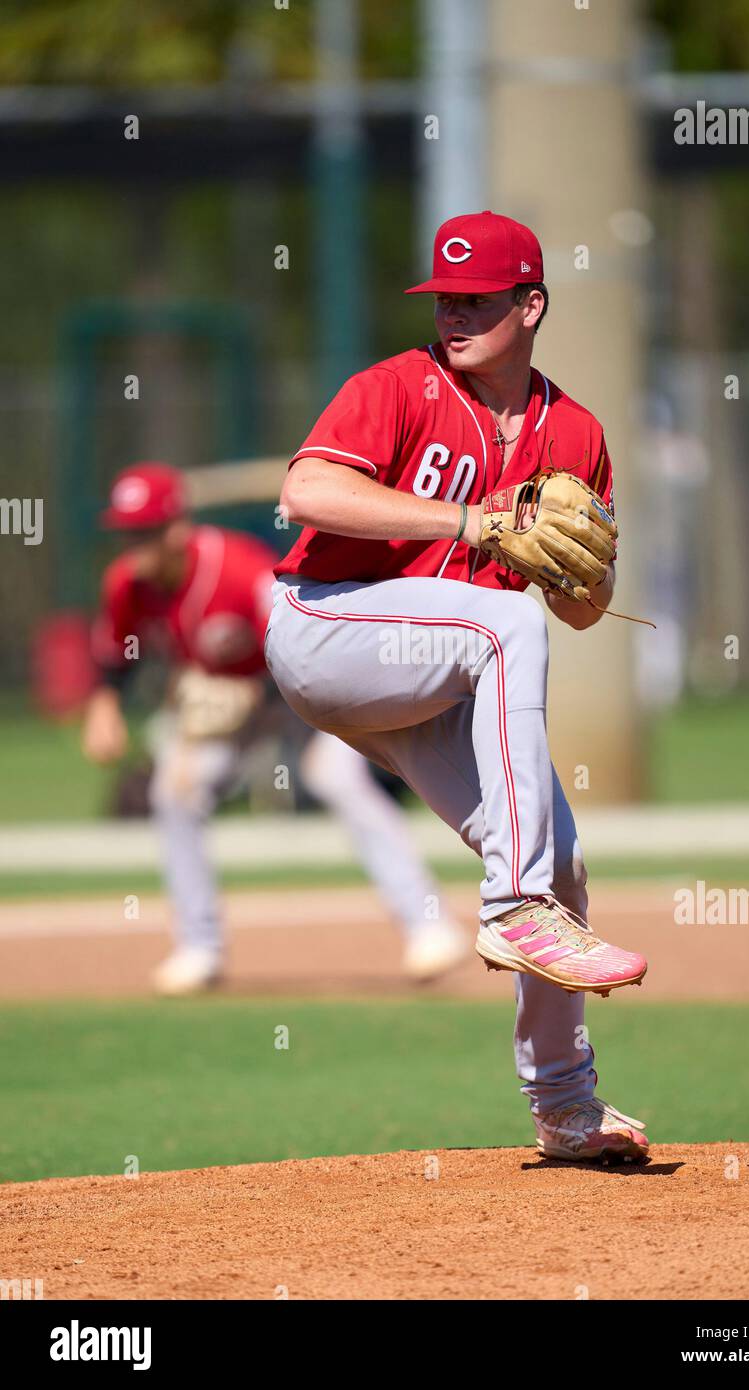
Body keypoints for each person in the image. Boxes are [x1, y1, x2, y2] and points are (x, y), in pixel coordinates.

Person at [264, 211, 650, 1163]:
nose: (453, 313)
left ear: (531, 304)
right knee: (501, 619)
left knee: (559, 860)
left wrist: (588, 575)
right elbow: (306, 493)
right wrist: (472, 521)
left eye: (476, 297)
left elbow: (581, 615)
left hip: (439, 675)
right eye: (443, 296)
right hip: (327, 627)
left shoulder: (577, 432)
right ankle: (509, 906)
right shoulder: (398, 387)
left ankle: (566, 1109)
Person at [81, 462, 468, 995]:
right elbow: (112, 653)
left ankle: (429, 927)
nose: (135, 544)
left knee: (335, 778)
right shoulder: (128, 582)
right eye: (128, 532)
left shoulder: (237, 569)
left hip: (302, 689)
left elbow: (302, 635)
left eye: (146, 530)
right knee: (174, 789)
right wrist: (104, 707)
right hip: (227, 710)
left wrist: (260, 695)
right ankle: (198, 948)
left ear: (177, 526)